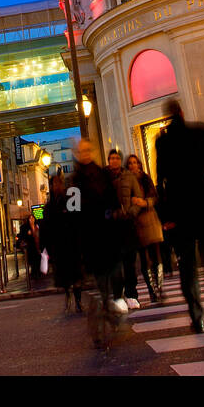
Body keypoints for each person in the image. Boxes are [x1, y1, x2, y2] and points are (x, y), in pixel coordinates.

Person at [155, 100, 204, 334]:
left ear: (169, 115)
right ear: (182, 112)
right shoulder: (199, 132)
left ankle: (197, 315)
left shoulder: (163, 141)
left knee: (188, 265)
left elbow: (161, 182)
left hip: (179, 211)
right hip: (203, 205)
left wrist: (166, 216)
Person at [69, 138, 125, 346]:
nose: (85, 153)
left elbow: (113, 199)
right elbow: (73, 213)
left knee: (116, 277)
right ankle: (100, 326)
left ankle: (109, 312)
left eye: (88, 150)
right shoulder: (75, 180)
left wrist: (115, 214)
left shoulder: (102, 174)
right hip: (92, 238)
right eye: (81, 151)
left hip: (108, 234)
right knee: (102, 284)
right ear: (77, 153)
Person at [106, 149, 143, 309]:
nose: (114, 161)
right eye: (111, 158)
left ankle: (131, 293)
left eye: (116, 158)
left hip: (128, 224)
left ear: (120, 160)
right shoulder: (104, 178)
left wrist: (131, 212)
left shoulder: (129, 176)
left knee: (129, 262)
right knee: (115, 263)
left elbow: (138, 197)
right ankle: (118, 293)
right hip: (112, 227)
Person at [125, 155, 164, 303]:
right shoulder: (126, 182)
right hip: (137, 223)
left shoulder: (146, 178)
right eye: (130, 163)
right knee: (144, 259)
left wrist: (144, 202)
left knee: (156, 256)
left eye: (135, 163)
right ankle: (151, 290)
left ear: (139, 165)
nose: (133, 166)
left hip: (149, 219)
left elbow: (154, 196)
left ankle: (159, 286)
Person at [43, 169, 82, 312]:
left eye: (59, 183)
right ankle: (68, 294)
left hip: (72, 244)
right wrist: (47, 248)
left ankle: (77, 299)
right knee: (65, 277)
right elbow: (46, 228)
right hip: (58, 247)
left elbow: (77, 220)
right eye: (54, 184)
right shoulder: (49, 206)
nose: (57, 187)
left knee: (76, 275)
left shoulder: (70, 200)